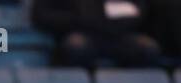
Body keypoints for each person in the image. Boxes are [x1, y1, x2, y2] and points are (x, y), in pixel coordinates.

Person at [32, 0, 163, 68]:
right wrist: (78, 20)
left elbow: (139, 10)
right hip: (81, 34)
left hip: (119, 35)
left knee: (147, 48)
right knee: (76, 46)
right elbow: (41, 15)